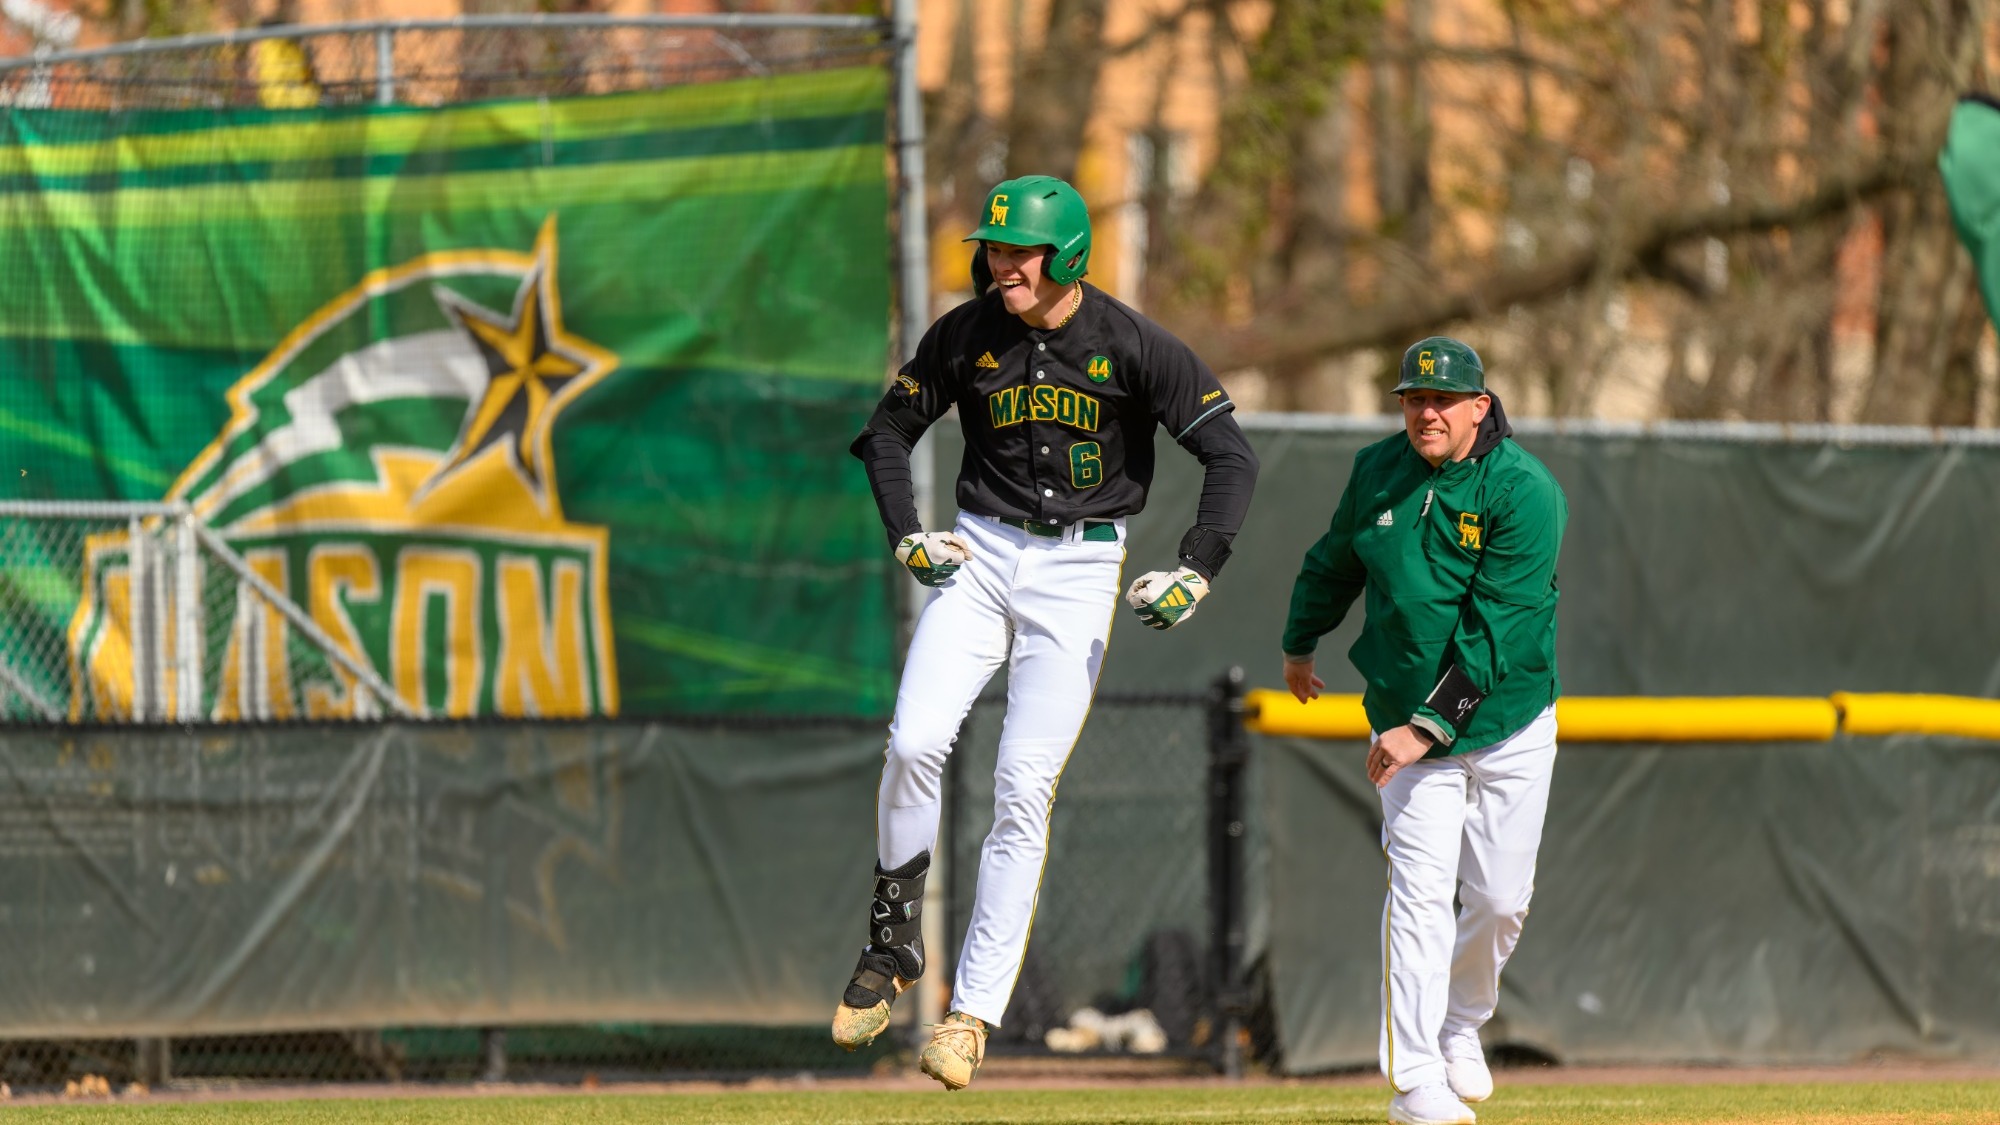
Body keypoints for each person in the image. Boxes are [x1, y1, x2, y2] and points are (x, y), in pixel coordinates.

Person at [835, 175, 1259, 1090]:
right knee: (913, 740)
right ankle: (891, 940)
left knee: (1022, 787)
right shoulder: (966, 332)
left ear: (1066, 256)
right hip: (980, 554)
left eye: (1018, 251)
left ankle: (971, 1014)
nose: (1000, 264)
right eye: (992, 248)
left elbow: (1230, 453)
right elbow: (884, 433)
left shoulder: (1132, 342)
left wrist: (1196, 563)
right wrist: (906, 531)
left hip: (1078, 572)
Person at [1279, 338, 1565, 1125]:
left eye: (1443, 400)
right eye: (1413, 399)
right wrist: (1301, 639)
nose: (1427, 412)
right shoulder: (1379, 468)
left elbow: (1498, 628)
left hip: (1507, 722)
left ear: (1481, 405)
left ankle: (1461, 1023)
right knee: (1418, 896)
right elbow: (1336, 558)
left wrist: (1428, 726)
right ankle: (1415, 1082)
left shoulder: (1524, 490)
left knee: (1502, 900)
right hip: (1406, 723)